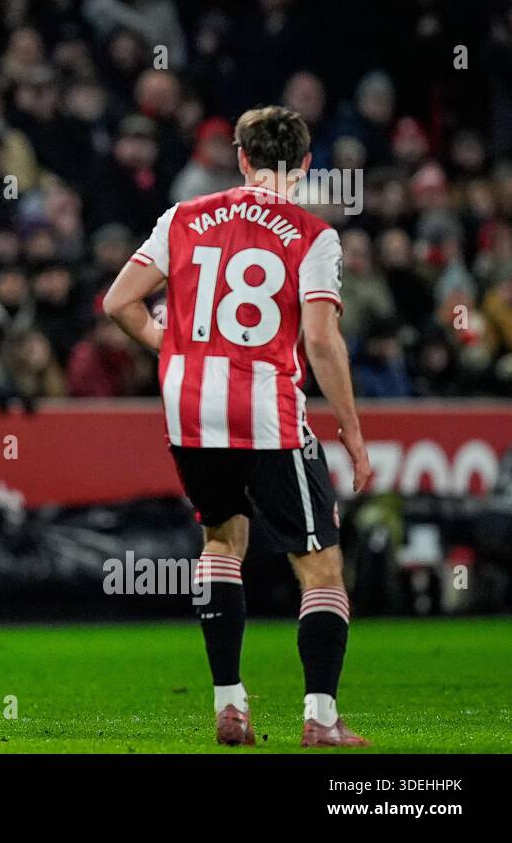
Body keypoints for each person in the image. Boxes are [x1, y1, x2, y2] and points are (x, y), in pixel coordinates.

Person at [101, 106, 374, 748]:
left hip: (189, 406)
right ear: (306, 166)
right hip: (265, 408)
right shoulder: (313, 235)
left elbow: (118, 302)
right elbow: (320, 338)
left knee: (223, 544)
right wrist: (352, 431)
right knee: (321, 564)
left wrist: (171, 345)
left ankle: (230, 704)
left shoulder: (183, 217)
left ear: (241, 158)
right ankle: (322, 720)